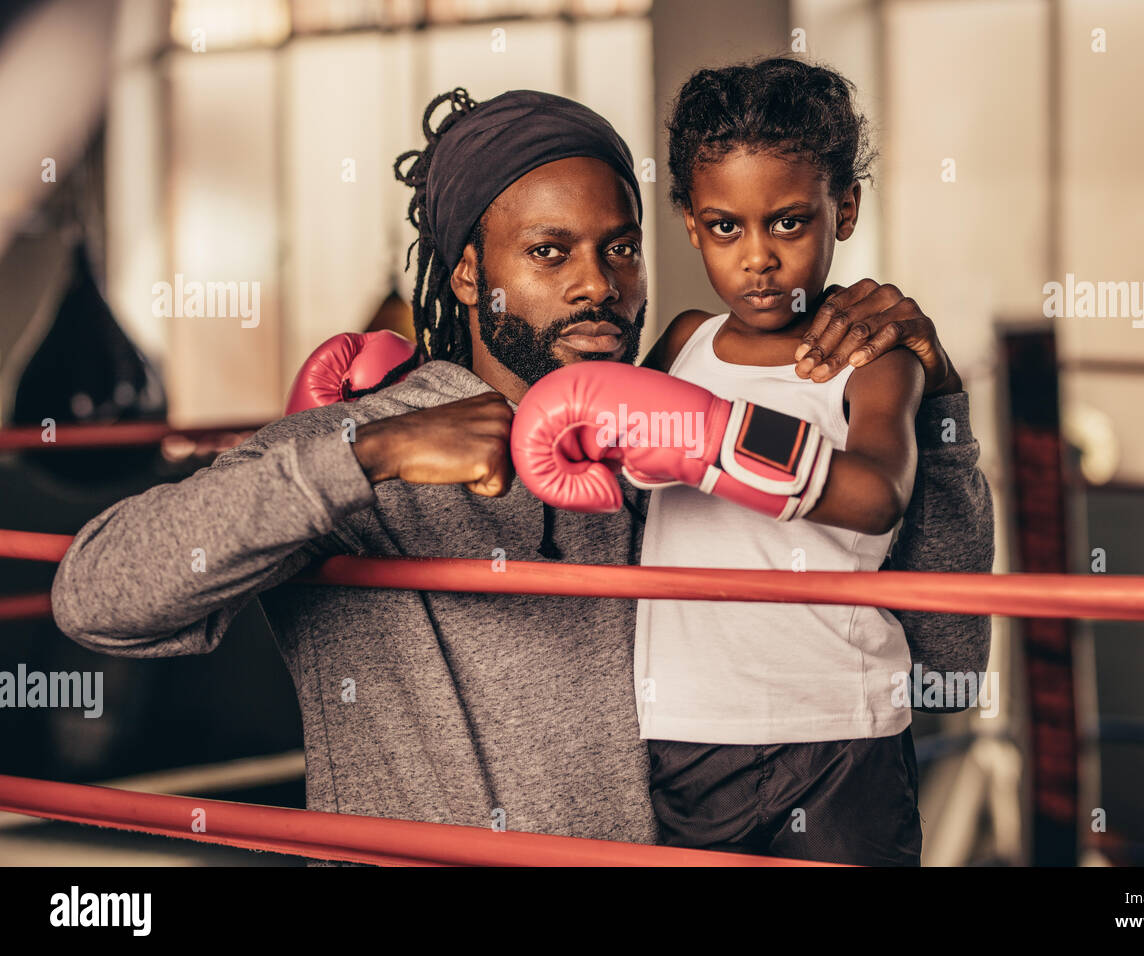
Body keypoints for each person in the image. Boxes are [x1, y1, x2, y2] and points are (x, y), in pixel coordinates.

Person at [50, 86, 992, 857]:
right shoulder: (350, 445)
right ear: (468, 276)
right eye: (548, 253)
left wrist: (934, 402)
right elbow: (96, 596)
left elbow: (948, 657)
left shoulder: (659, 428)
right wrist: (361, 456)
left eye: (619, 247)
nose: (598, 285)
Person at [638, 57, 935, 864]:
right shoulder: (681, 344)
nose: (758, 256)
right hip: (688, 726)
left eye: (789, 223)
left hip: (837, 725)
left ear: (844, 210)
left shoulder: (872, 356)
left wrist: (712, 437)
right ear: (692, 224)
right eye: (727, 227)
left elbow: (878, 495)